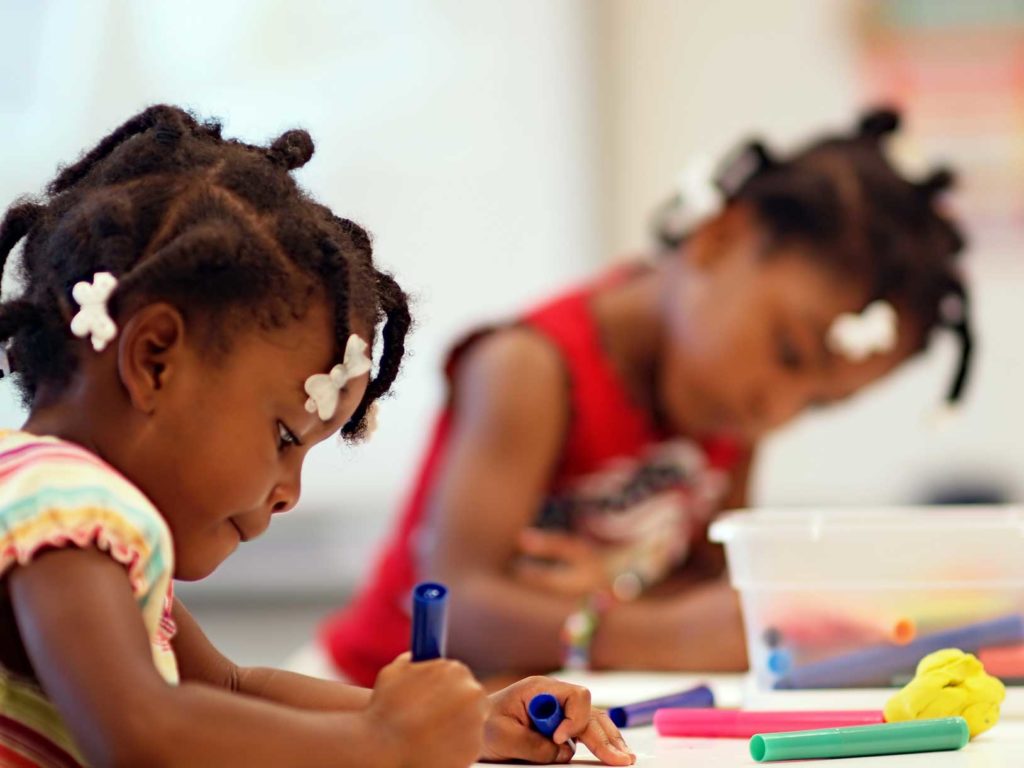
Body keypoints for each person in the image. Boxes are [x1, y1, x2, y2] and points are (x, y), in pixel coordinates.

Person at [0, 105, 634, 768]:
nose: (290, 493)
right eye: (283, 436)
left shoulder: (67, 513)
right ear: (154, 359)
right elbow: (142, 736)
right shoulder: (64, 499)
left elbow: (232, 689)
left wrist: (471, 719)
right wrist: (382, 745)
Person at [317, 108, 972, 685]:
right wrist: (646, 629)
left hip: (533, 712)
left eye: (819, 404)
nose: (777, 410)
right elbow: (456, 604)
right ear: (720, 238)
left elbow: (714, 585)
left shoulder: (733, 409)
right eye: (790, 353)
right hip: (357, 707)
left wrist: (618, 603)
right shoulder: (532, 369)